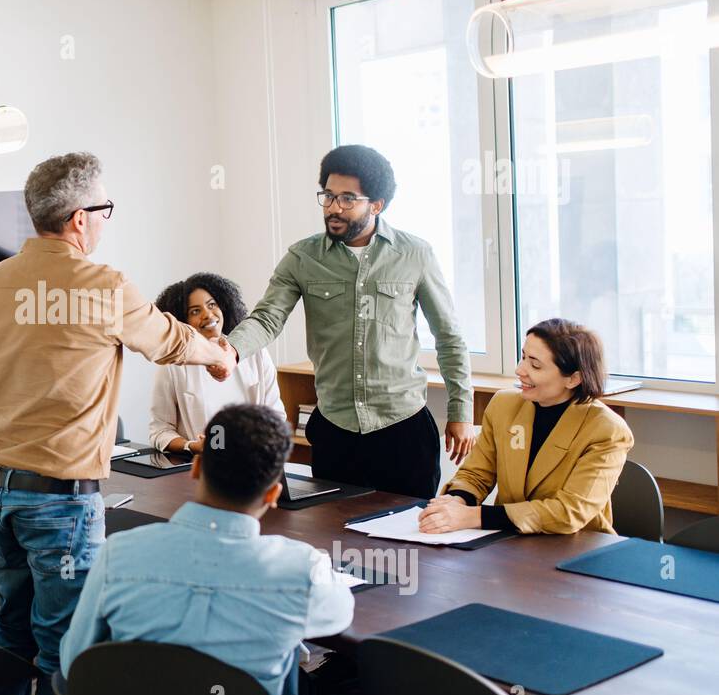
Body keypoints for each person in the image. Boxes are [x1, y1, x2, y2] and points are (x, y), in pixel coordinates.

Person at [0, 152, 236, 695]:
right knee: (69, 646)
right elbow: (168, 340)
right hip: (59, 498)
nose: (106, 220)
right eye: (104, 209)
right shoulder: (101, 285)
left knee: (10, 628)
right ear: (79, 218)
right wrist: (221, 355)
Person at [60, 404, 355, 695]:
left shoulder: (117, 554)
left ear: (196, 467)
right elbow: (339, 615)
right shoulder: (303, 569)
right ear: (273, 494)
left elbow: (74, 663)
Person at [220, 144, 475, 501]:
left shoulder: (415, 254)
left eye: (347, 198)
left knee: (410, 545)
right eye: (327, 195)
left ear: (376, 205)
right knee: (335, 539)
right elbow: (267, 318)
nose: (334, 207)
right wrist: (230, 349)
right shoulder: (302, 257)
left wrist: (460, 412)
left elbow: (448, 337)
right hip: (334, 429)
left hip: (403, 428)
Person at [421, 318, 633, 535]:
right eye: (523, 357)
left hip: (576, 548)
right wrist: (456, 501)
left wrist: (473, 517)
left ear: (573, 379)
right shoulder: (504, 405)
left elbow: (569, 512)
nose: (520, 369)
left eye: (535, 364)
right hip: (510, 543)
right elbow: (475, 474)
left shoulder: (607, 430)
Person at [149, 272, 287, 453]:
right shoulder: (173, 364)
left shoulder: (255, 352)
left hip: (253, 460)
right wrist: (192, 446)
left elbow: (276, 417)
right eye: (195, 311)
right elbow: (160, 431)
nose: (208, 315)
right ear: (182, 320)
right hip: (198, 466)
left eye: (212, 305)